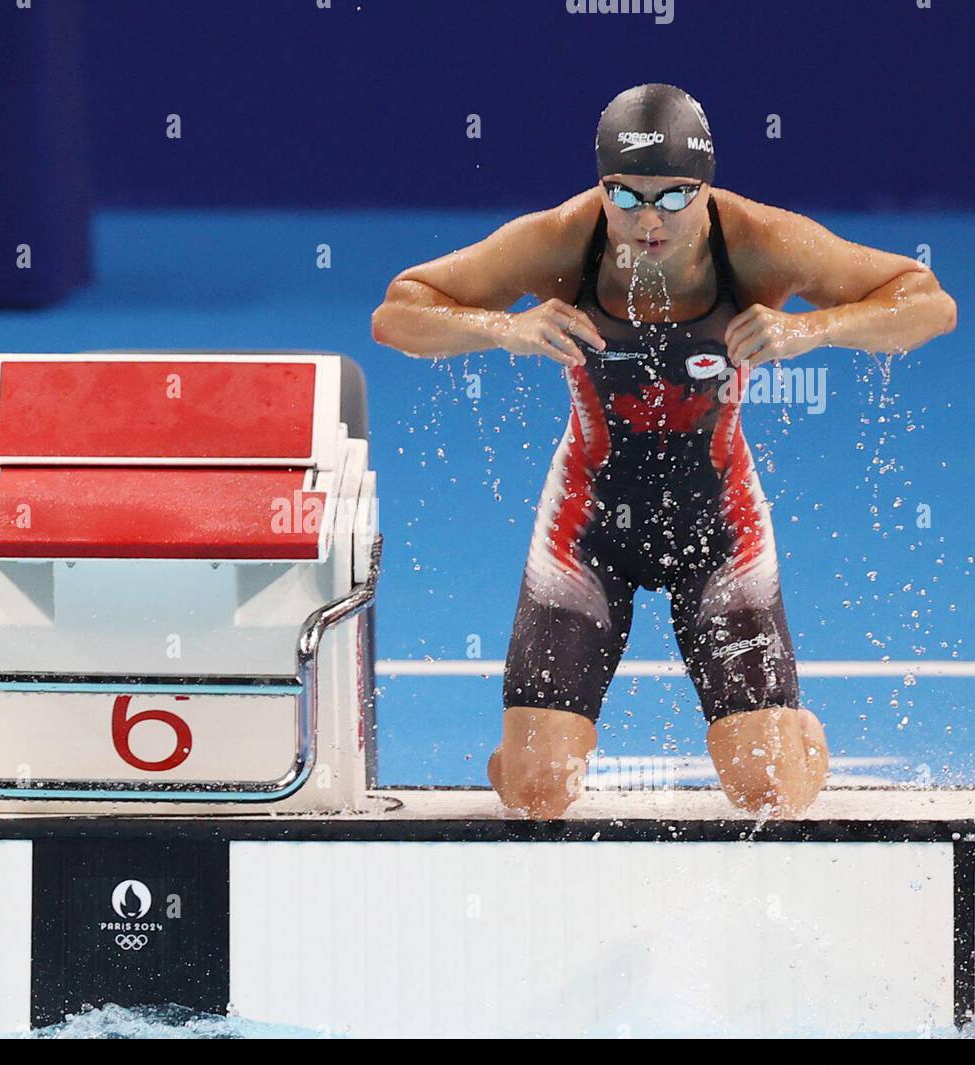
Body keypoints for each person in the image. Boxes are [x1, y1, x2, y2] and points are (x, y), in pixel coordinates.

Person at [371, 83, 957, 818]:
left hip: (719, 526)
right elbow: (397, 311)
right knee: (536, 793)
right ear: (600, 186)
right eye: (626, 195)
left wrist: (814, 330)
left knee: (767, 790)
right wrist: (503, 329)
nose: (649, 220)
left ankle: (796, 733)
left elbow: (930, 301)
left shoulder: (759, 243)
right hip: (587, 525)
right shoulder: (561, 240)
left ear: (706, 191)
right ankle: (528, 748)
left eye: (675, 198)